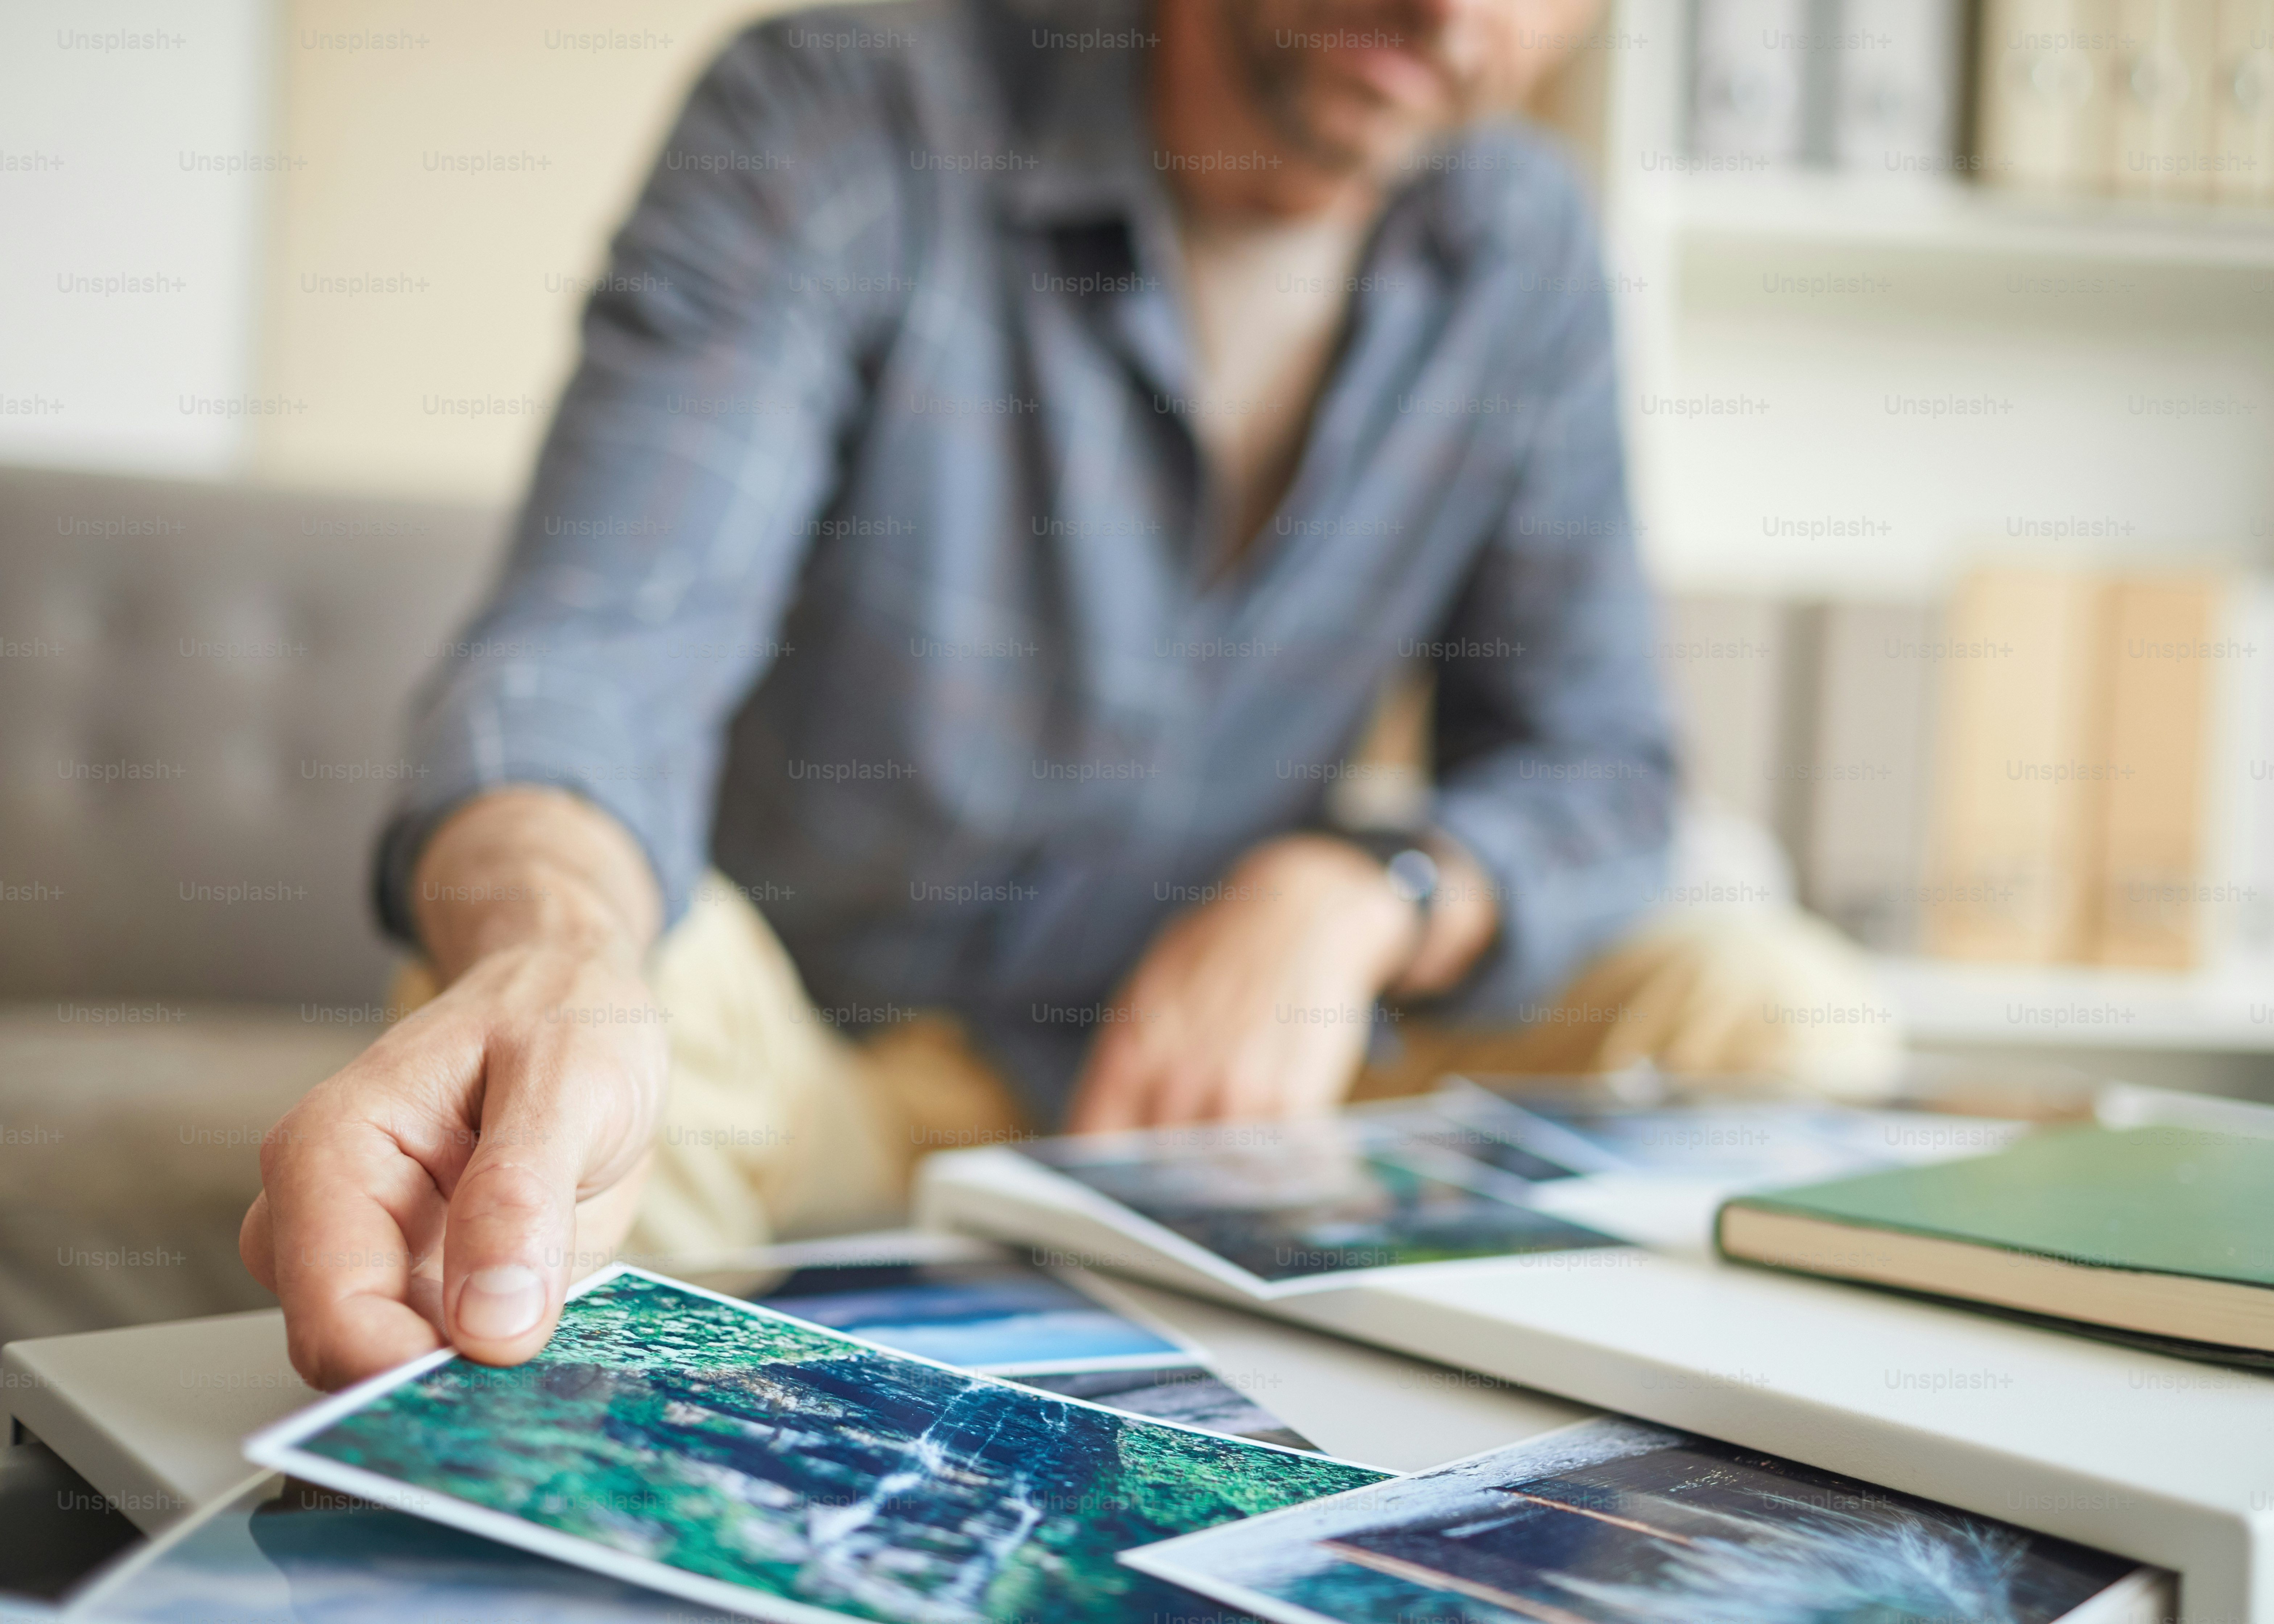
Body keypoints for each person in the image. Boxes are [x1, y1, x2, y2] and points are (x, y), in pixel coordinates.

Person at [242, 0, 1893, 1392]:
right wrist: (556, 946)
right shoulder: (849, 110)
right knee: (590, 1001)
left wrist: (1369, 890)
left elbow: (1596, 763)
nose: (1453, 17)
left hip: (1235, 1120)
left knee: (1768, 1002)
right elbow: (600, 647)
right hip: (834, 1073)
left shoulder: (1525, 251)